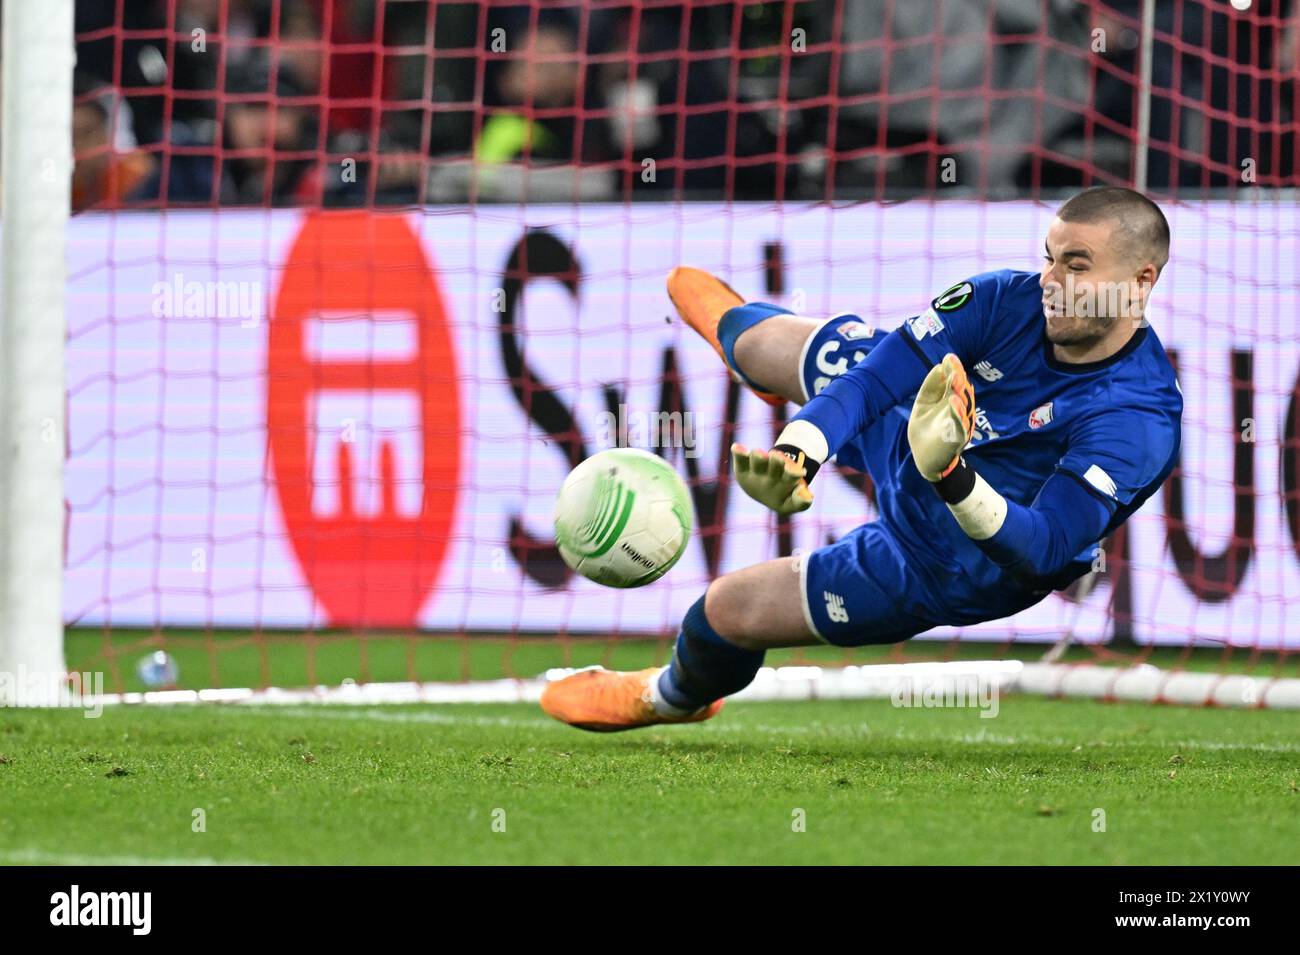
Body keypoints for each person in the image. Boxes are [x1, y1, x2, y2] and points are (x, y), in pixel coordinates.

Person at [540, 186, 1182, 732]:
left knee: (723, 613)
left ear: (1140, 280)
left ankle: (668, 697)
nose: (1051, 283)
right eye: (1048, 258)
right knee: (763, 344)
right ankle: (747, 351)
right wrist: (798, 452)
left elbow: (1043, 552)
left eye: (1077, 265)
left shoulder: (1137, 418)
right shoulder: (1002, 300)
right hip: (914, 430)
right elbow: (878, 380)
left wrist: (954, 477)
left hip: (948, 563)